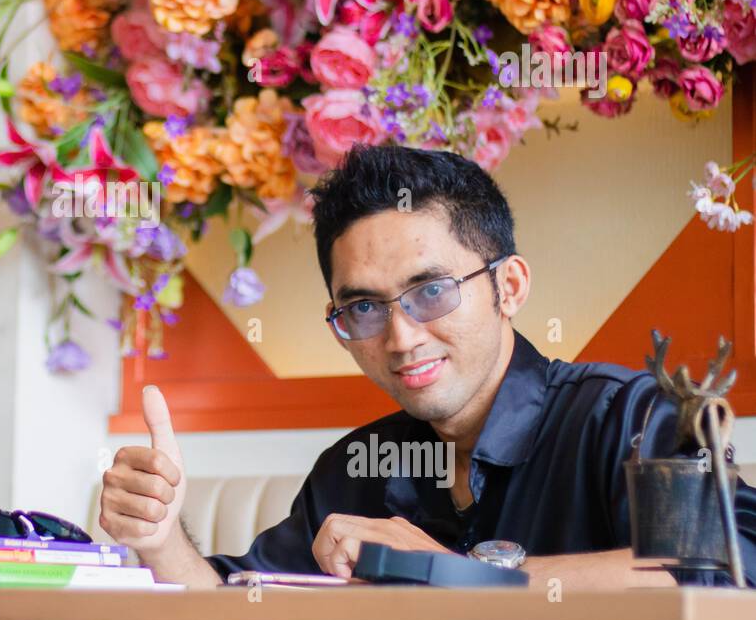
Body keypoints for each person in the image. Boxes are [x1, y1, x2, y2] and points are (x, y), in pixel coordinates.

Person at [98, 144, 756, 590]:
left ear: (511, 286)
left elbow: (722, 569)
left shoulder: (631, 415)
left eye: (432, 290)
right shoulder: (357, 468)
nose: (402, 337)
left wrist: (462, 577)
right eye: (363, 307)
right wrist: (159, 539)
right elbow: (235, 602)